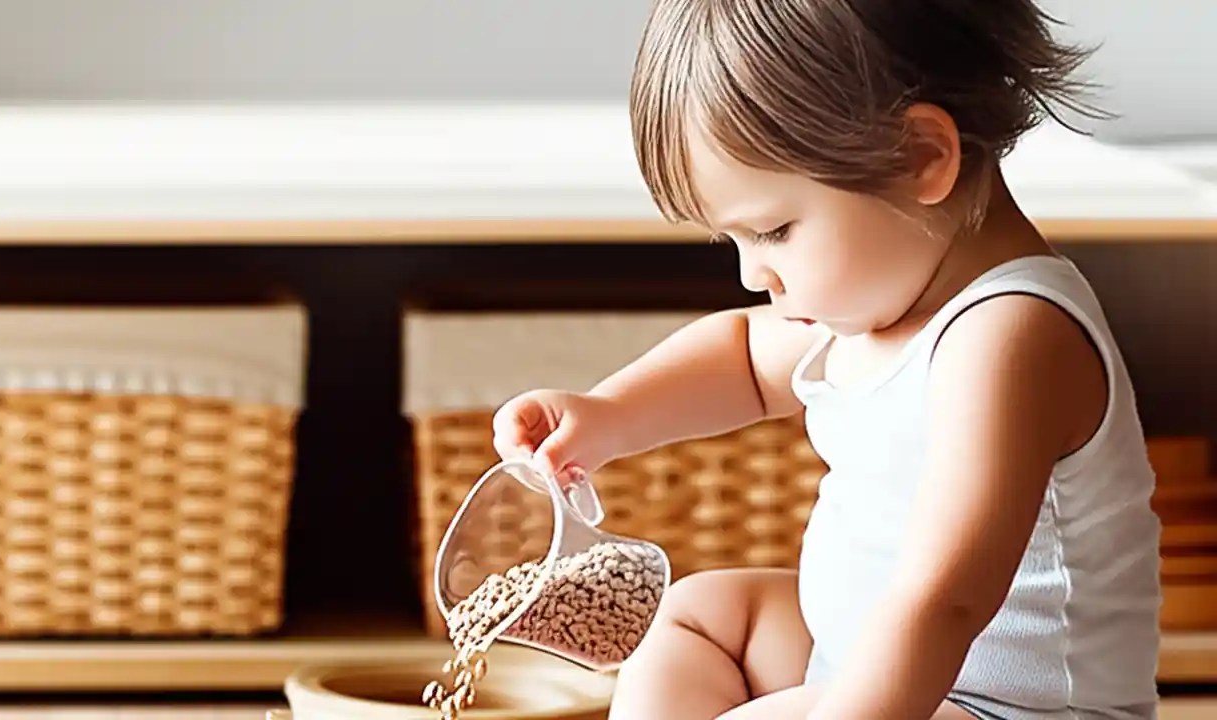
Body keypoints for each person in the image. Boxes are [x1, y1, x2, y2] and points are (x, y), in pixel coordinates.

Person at [491, 1, 1162, 718]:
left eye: (774, 230)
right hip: (874, 666)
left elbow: (944, 600)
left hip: (1001, 705)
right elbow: (745, 357)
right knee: (698, 617)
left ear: (921, 159)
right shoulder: (881, 300)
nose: (754, 275)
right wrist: (609, 414)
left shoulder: (1010, 336)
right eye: (735, 241)